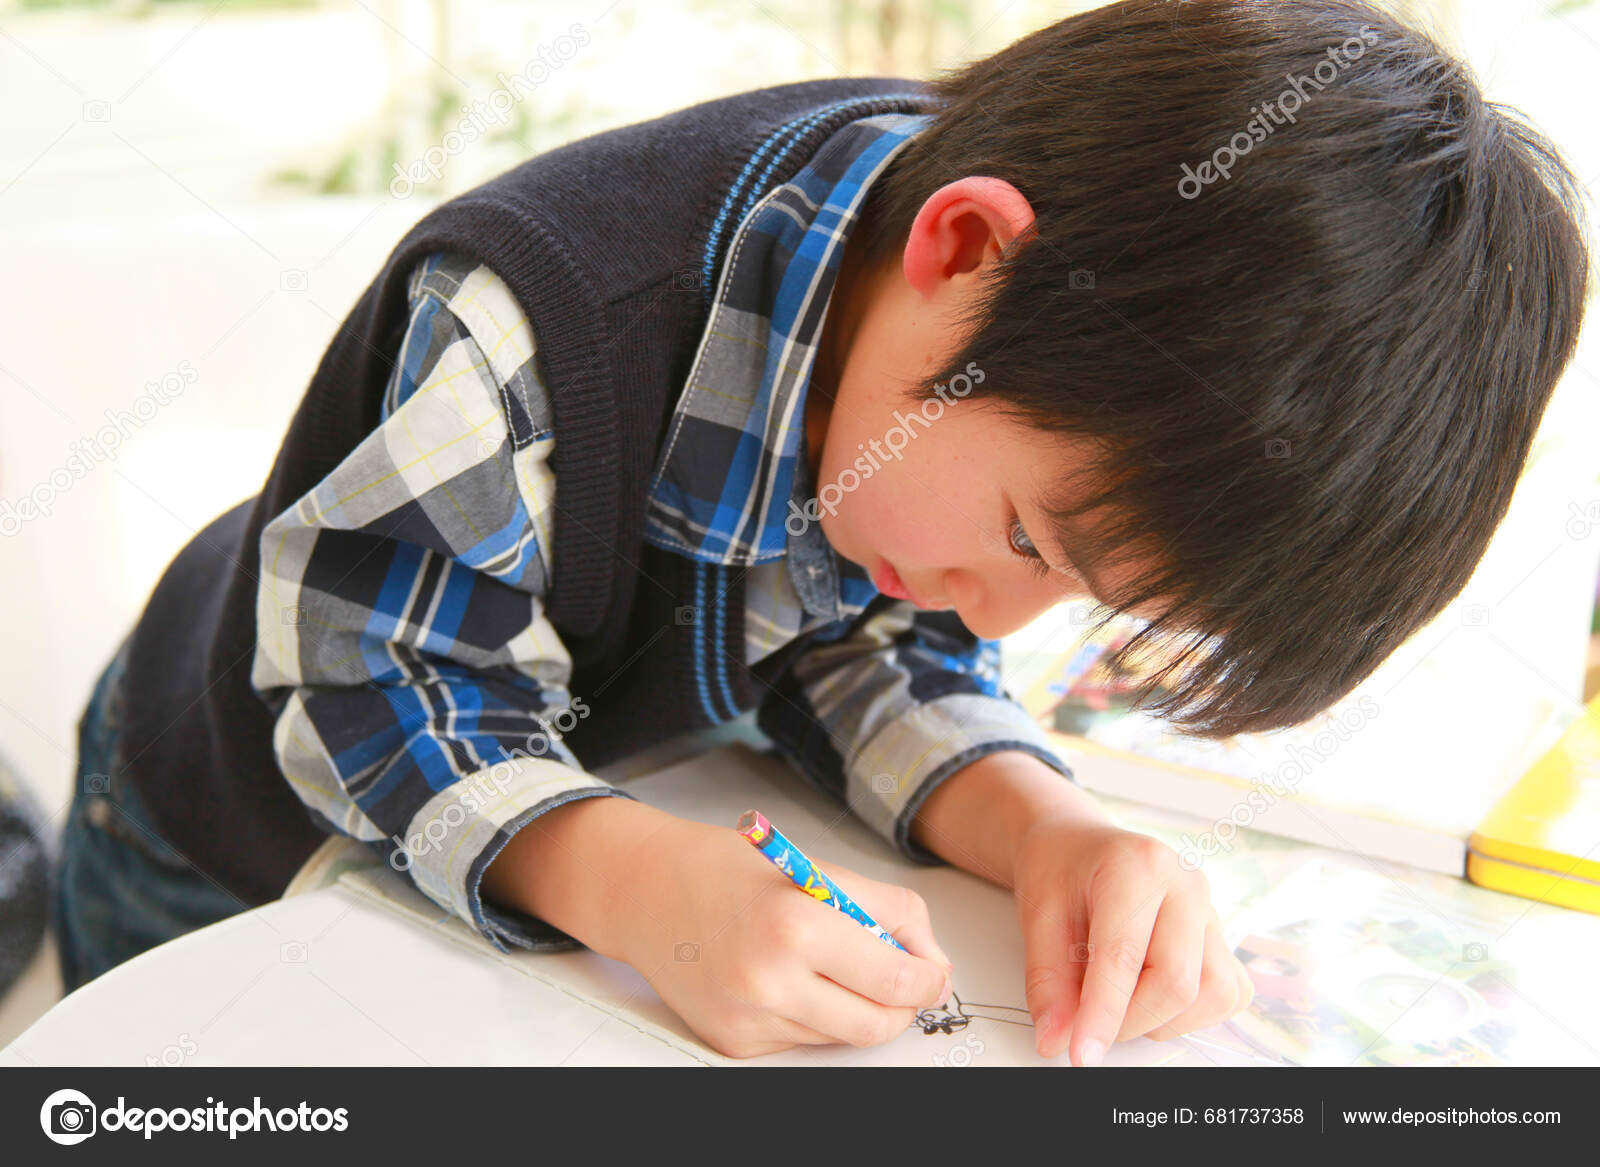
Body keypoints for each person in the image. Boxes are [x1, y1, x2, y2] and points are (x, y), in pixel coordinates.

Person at [54, 0, 1589, 1064]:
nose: (996, 624)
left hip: (553, 778)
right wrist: (628, 882)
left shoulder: (949, 361)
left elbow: (853, 636)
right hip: (220, 821)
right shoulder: (531, 327)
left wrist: (1044, 829)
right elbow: (378, 684)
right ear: (964, 249)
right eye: (1033, 547)